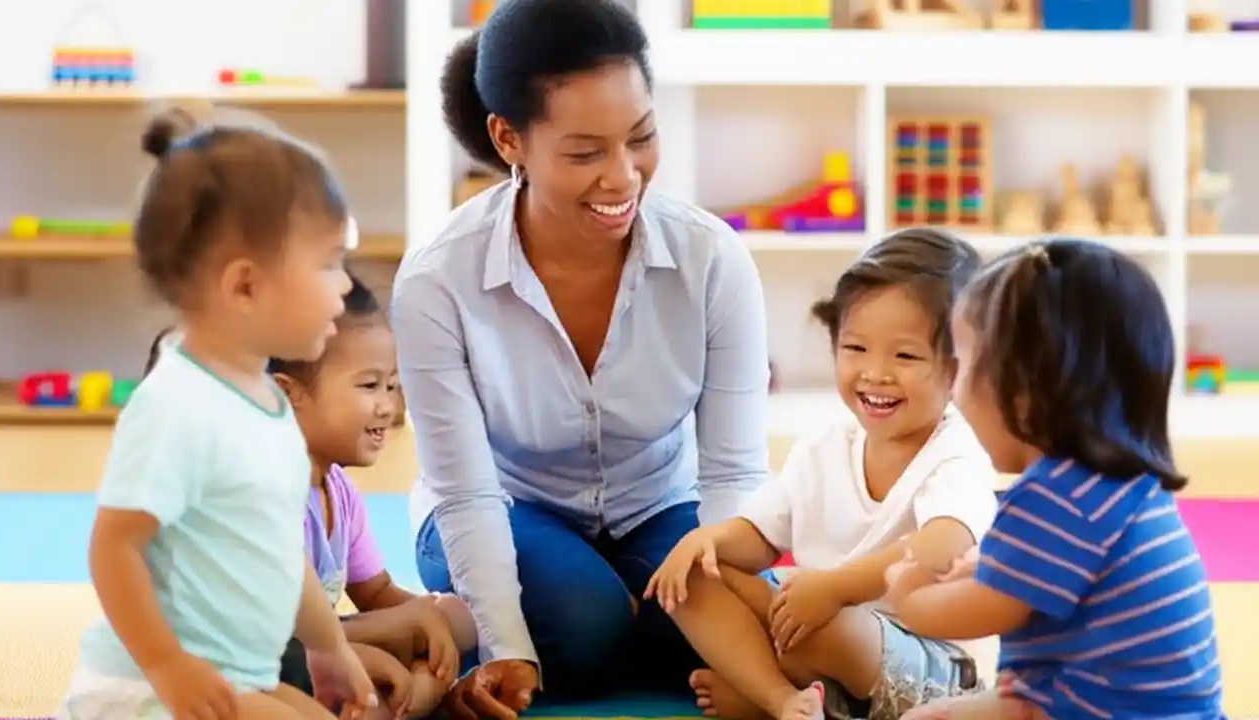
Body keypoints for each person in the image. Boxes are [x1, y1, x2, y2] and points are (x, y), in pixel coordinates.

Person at [391, 0, 771, 713]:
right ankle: (552, 615)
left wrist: (736, 603)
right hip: (507, 505)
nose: (624, 177)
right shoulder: (438, 282)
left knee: (720, 618)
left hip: (659, 501)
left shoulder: (712, 259)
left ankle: (603, 613)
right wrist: (505, 644)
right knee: (580, 624)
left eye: (641, 137)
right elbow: (468, 492)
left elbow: (734, 472)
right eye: (585, 152)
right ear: (509, 139)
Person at [57, 109, 376, 719]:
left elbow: (281, 546)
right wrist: (165, 664)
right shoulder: (177, 405)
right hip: (146, 692)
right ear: (246, 287)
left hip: (236, 675)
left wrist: (328, 645)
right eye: (329, 263)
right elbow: (113, 547)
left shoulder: (265, 401)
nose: (343, 286)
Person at [647, 228, 1001, 720]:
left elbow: (944, 547)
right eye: (855, 348)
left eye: (905, 356)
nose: (875, 373)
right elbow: (761, 537)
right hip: (813, 623)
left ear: (959, 368)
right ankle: (783, 699)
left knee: (823, 623)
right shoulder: (823, 446)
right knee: (691, 577)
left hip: (931, 661)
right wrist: (711, 541)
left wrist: (833, 589)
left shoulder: (958, 450)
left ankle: (773, 694)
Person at [886, 239, 1224, 719]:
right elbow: (1059, 573)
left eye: (961, 366)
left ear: (1021, 391)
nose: (953, 390)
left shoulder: (1055, 495)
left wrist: (909, 597)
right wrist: (988, 567)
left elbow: (988, 610)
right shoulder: (1112, 482)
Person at [268, 273, 479, 719]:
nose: (388, 406)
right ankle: (416, 699)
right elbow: (276, 638)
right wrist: (400, 631)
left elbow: (377, 592)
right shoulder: (270, 494)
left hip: (325, 643)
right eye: (369, 386)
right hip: (272, 657)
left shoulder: (339, 491)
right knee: (367, 703)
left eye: (392, 385)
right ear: (290, 394)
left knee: (459, 614)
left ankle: (417, 693)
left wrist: (429, 623)